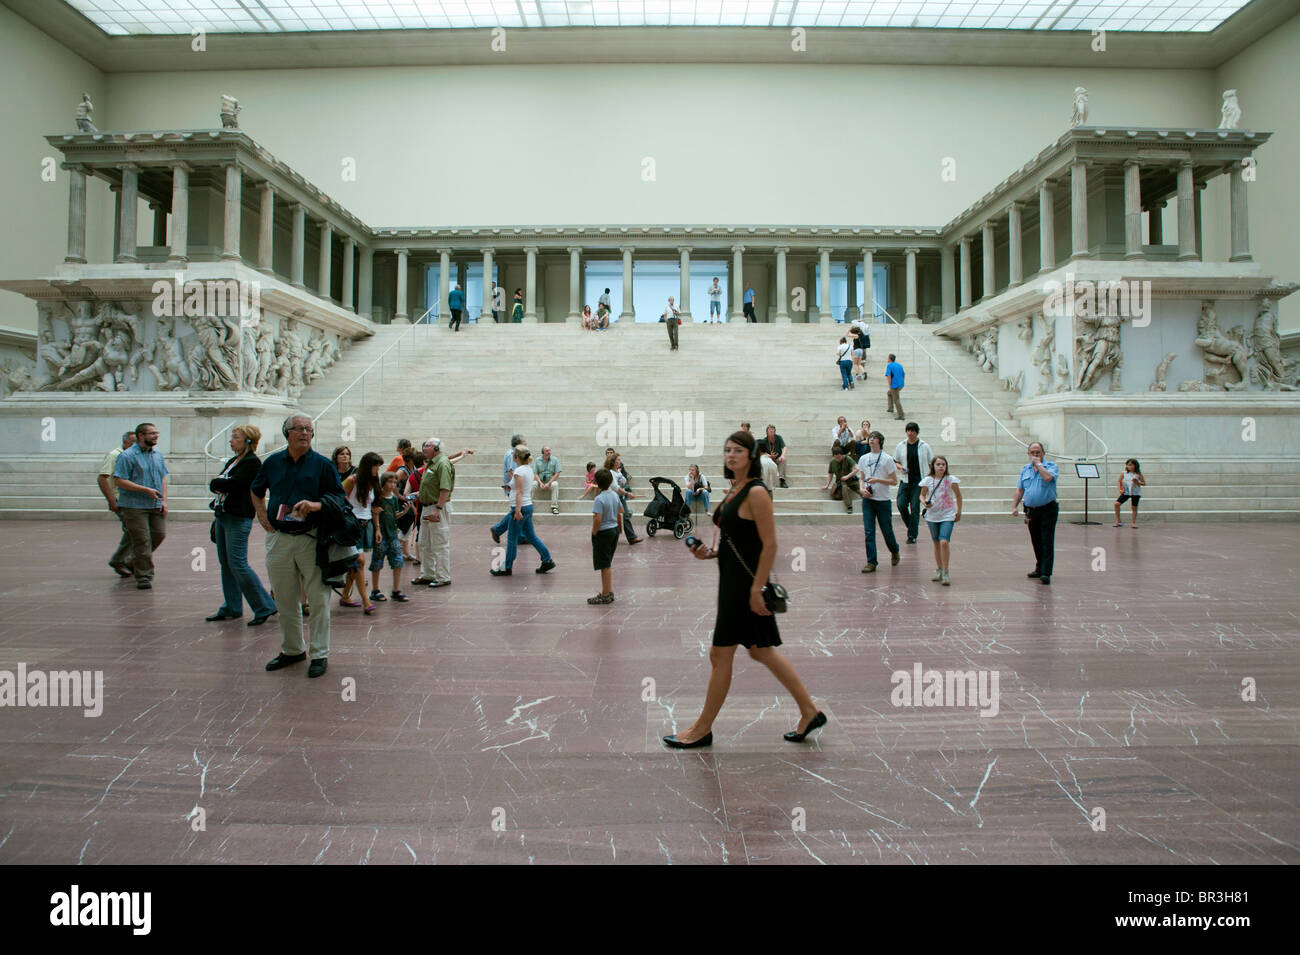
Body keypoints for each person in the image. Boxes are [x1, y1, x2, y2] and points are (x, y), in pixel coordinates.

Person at [663, 431, 825, 748]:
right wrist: (709, 553)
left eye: (738, 450)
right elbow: (734, 540)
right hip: (732, 582)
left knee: (720, 654)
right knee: (760, 650)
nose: (731, 455)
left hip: (744, 588)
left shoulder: (756, 493)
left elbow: (770, 543)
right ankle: (809, 711)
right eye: (727, 450)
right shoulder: (735, 489)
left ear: (751, 455)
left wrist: (756, 588)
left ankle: (702, 729)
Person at [251, 413, 346, 678]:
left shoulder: (323, 465)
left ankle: (319, 653)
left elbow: (339, 500)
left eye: (309, 429)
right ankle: (292, 650)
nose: (305, 433)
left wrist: (316, 505)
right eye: (299, 429)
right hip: (279, 538)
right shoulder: (272, 463)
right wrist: (261, 514)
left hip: (311, 537)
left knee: (317, 599)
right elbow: (256, 490)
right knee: (284, 599)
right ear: (287, 434)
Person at [206, 425, 277, 625]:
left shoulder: (252, 463)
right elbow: (221, 483)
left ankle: (264, 605)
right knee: (226, 563)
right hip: (223, 514)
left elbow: (230, 484)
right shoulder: (233, 461)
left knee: (238, 563)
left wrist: (217, 483)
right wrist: (218, 483)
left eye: (235, 437)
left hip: (238, 516)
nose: (231, 440)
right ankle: (232, 605)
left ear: (248, 440)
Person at [113, 422, 168, 590]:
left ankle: (132, 561)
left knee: (159, 534)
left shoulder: (157, 455)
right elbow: (119, 480)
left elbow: (163, 478)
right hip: (134, 505)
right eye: (152, 433)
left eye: (157, 433)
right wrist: (144, 490)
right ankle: (144, 576)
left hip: (155, 504)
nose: (156, 436)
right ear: (141, 436)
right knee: (142, 540)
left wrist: (164, 500)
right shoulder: (127, 456)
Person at [491, 446, 556, 576]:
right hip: (528, 506)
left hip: (520, 507)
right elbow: (520, 488)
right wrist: (510, 487)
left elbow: (520, 491)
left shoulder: (519, 471)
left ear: (516, 457)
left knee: (512, 538)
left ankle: (507, 567)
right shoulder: (528, 469)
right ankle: (547, 559)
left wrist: (517, 511)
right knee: (531, 536)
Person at [338, 451, 382, 614]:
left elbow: (373, 506)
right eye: (375, 466)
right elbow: (339, 499)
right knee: (359, 560)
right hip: (352, 524)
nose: (377, 470)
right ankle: (365, 601)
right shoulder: (352, 480)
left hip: (366, 523)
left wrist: (377, 528)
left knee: (355, 563)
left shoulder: (373, 481)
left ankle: (345, 595)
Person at [1012, 440, 1058, 585]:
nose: (1035, 455)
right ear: (1028, 454)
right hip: (1032, 510)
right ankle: (1039, 567)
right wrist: (1014, 506)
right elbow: (1020, 489)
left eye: (1038, 452)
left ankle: (1046, 572)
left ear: (1043, 453)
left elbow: (1048, 478)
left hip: (1048, 508)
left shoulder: (1051, 466)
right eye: (1033, 452)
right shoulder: (1025, 469)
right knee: (1036, 540)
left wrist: (1039, 464)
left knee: (1047, 539)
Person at [855, 430, 900, 573]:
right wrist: (861, 489)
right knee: (869, 531)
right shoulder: (863, 458)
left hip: (882, 500)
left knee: (887, 531)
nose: (871, 440)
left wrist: (877, 480)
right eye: (870, 438)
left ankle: (894, 550)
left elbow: (894, 481)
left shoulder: (887, 459)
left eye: (874, 438)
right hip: (868, 500)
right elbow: (862, 477)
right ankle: (871, 562)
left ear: (880, 441)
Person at [415, 437, 457, 588]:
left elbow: (445, 488)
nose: (424, 448)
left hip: (437, 507)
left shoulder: (442, 463)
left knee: (439, 543)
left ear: (437, 448)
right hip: (426, 506)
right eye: (424, 445)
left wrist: (438, 509)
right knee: (424, 542)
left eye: (427, 446)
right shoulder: (431, 463)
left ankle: (443, 576)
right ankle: (427, 573)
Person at [97, 430, 136, 578]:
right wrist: (112, 500)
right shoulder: (115, 455)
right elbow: (102, 478)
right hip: (121, 499)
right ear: (125, 442)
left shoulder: (133, 455)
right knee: (132, 530)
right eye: (132, 443)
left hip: (132, 500)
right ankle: (121, 560)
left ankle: (128, 560)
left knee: (135, 531)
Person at [920, 455, 961, 586]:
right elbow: (922, 494)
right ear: (933, 466)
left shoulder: (951, 480)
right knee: (936, 542)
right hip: (932, 515)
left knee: (944, 541)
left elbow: (958, 496)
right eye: (938, 464)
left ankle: (946, 571)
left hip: (947, 514)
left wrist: (958, 511)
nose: (941, 466)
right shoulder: (927, 480)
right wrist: (924, 502)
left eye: (943, 464)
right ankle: (939, 569)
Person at [371, 471, 412, 602]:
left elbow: (393, 515)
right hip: (382, 535)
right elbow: (375, 513)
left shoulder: (394, 499)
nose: (392, 485)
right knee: (377, 562)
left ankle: (396, 589)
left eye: (395, 482)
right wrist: (377, 528)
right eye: (390, 482)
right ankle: (375, 589)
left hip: (392, 534)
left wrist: (403, 512)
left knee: (398, 561)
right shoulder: (378, 498)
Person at [893, 422, 933, 545]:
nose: (910, 433)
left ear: (917, 432)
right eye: (908, 431)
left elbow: (931, 462)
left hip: (919, 482)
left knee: (915, 508)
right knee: (901, 504)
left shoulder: (924, 446)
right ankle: (911, 526)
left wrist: (931, 479)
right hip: (905, 480)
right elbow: (895, 461)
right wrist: (900, 468)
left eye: (912, 431)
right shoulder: (901, 445)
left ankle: (912, 535)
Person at [588, 468, 622, 604]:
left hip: (603, 532)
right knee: (606, 563)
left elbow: (597, 519)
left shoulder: (599, 499)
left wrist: (594, 532)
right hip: (614, 530)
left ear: (597, 483)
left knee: (604, 564)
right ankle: (607, 590)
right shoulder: (614, 495)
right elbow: (621, 511)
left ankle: (606, 594)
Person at [489, 434, 526, 544]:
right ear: (518, 444)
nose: (526, 444)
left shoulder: (513, 453)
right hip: (513, 488)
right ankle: (498, 529)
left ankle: (518, 535)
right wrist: (517, 487)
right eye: (524, 442)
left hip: (514, 487)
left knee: (517, 510)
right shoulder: (511, 455)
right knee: (516, 511)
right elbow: (511, 473)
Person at [605, 451, 642, 545]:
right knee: (612, 518)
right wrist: (627, 494)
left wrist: (620, 474)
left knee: (625, 516)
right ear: (614, 462)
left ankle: (631, 538)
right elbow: (615, 487)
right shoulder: (611, 473)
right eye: (618, 459)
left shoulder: (617, 472)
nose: (620, 461)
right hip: (613, 498)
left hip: (620, 498)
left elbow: (623, 482)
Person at [823, 443, 859, 513]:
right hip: (841, 480)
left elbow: (856, 469)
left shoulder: (847, 459)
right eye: (836, 457)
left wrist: (847, 476)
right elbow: (830, 474)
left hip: (851, 478)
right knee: (844, 488)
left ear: (841, 455)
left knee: (859, 490)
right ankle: (849, 506)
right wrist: (827, 485)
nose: (838, 459)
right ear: (833, 456)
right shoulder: (832, 462)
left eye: (839, 457)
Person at [1114, 458, 1145, 528]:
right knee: (1116, 504)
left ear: (1135, 465)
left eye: (1131, 465)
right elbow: (1119, 481)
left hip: (1135, 492)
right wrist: (1120, 489)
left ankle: (1133, 523)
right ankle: (1118, 521)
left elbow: (1144, 483)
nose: (1129, 466)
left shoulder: (1138, 474)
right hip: (1126, 491)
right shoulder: (1124, 473)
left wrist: (1138, 482)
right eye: (1128, 465)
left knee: (1134, 507)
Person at [756, 424, 789, 489]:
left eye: (772, 429)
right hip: (769, 458)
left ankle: (782, 480)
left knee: (783, 459)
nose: (771, 430)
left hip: (778, 458)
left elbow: (784, 447)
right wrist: (770, 456)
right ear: (767, 431)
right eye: (769, 429)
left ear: (775, 431)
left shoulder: (779, 437)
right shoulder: (764, 440)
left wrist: (782, 455)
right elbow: (763, 452)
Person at [535, 445, 562, 515]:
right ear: (543, 452)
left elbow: (557, 473)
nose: (549, 452)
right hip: (540, 481)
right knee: (532, 484)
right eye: (547, 451)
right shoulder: (537, 460)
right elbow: (535, 473)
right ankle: (528, 505)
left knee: (555, 484)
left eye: (549, 450)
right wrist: (540, 483)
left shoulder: (555, 459)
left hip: (550, 481)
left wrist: (549, 483)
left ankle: (554, 507)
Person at [885, 353, 905, 420]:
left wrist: (890, 386)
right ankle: (890, 408)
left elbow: (888, 376)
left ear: (889, 359)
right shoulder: (899, 365)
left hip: (894, 385)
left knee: (896, 399)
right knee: (889, 393)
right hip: (900, 384)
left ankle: (901, 415)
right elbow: (903, 374)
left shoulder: (889, 366)